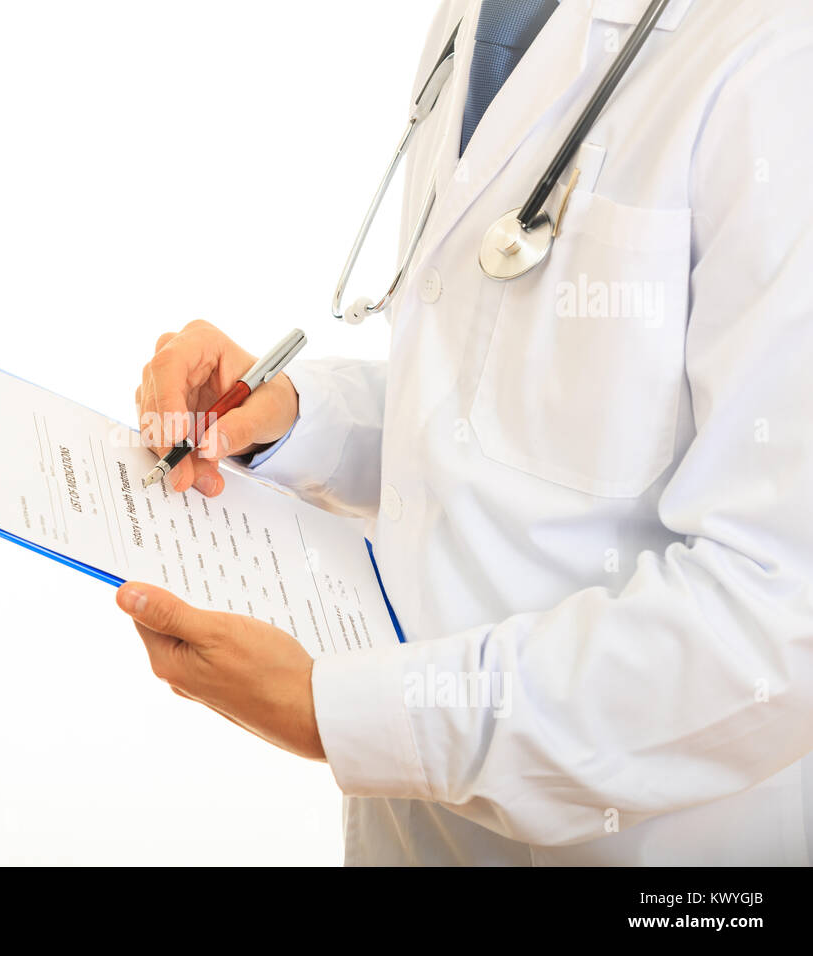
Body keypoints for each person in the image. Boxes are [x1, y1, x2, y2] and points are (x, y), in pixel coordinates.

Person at [115, 0, 813, 865]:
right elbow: (526, 399)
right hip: (416, 831)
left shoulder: (780, 61)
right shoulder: (479, 16)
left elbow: (777, 614)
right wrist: (299, 418)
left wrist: (344, 715)